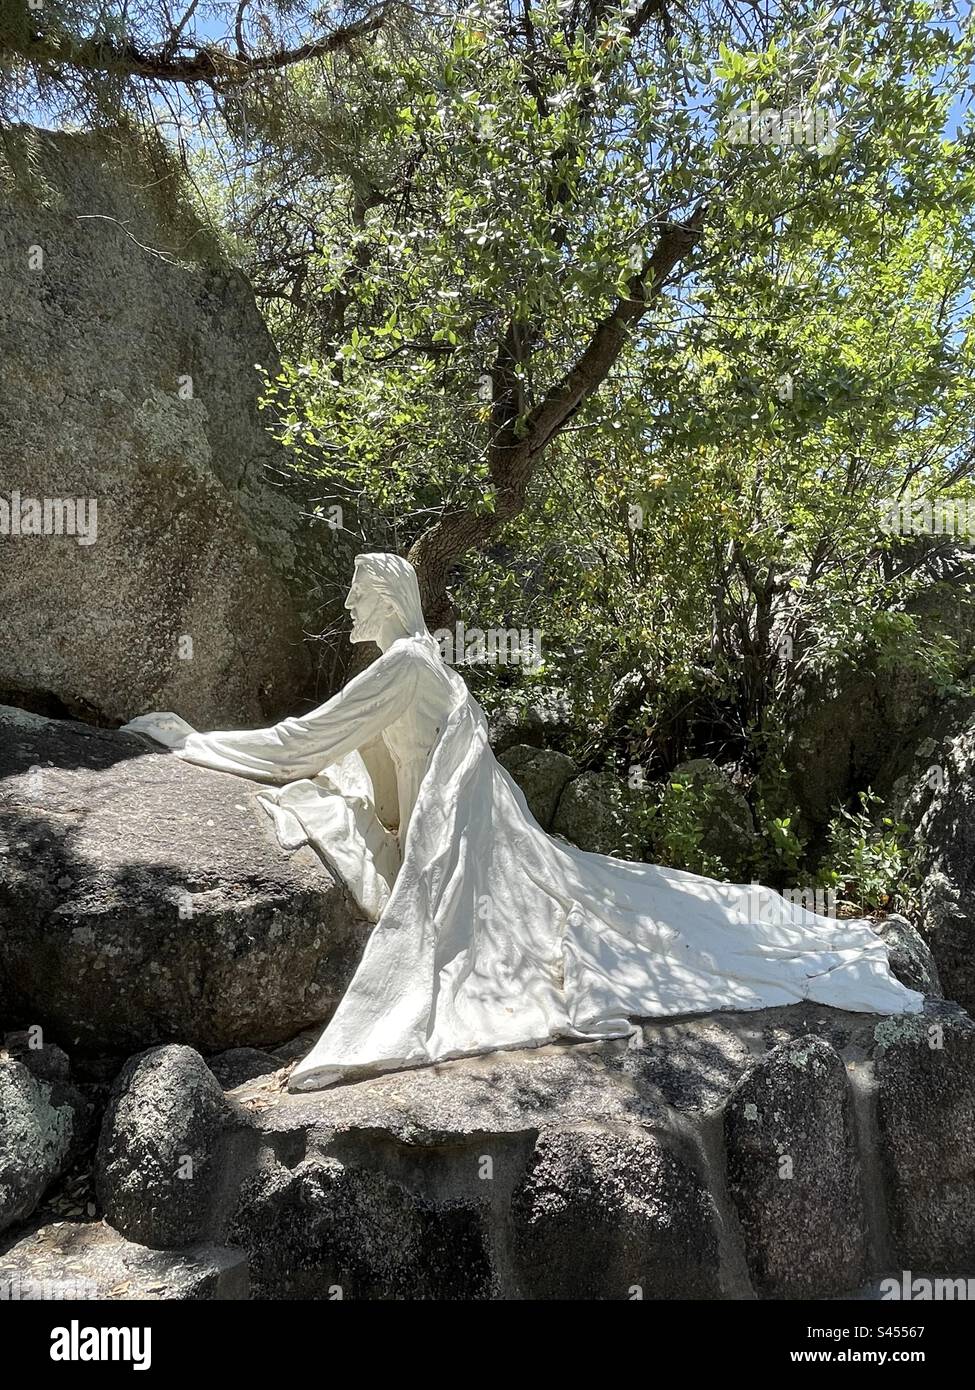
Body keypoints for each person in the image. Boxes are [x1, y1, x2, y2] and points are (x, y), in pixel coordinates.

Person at [124, 552, 924, 1092]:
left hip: (488, 853)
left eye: (357, 595)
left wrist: (193, 742)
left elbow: (305, 740)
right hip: (496, 837)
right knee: (626, 916)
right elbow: (365, 762)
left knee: (605, 941)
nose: (345, 605)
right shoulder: (416, 663)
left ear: (390, 600)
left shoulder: (403, 665)